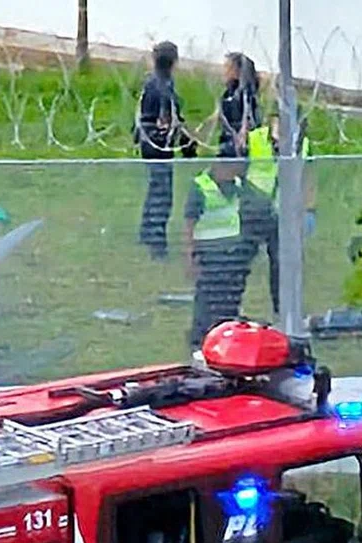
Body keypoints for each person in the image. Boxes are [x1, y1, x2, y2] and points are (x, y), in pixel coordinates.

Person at [240, 108, 314, 316]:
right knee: (240, 262)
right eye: (279, 121)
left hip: (283, 214)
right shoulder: (255, 139)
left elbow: (307, 177)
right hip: (254, 211)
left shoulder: (301, 145)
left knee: (280, 266)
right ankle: (232, 308)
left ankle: (282, 311)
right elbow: (238, 171)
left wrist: (308, 209)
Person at [134, 41, 197, 260]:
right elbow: (169, 120)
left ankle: (146, 233)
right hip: (159, 146)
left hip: (147, 142)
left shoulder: (151, 83)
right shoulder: (164, 87)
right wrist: (187, 144)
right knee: (162, 195)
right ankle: (156, 243)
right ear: (174, 62)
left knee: (155, 189)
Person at [185, 158, 254, 349]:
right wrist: (190, 256)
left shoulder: (238, 185)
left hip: (232, 251)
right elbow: (189, 223)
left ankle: (227, 331)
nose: (234, 172)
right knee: (207, 298)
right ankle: (200, 338)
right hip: (208, 252)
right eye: (230, 167)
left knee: (231, 296)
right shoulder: (201, 187)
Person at [218, 52, 261, 157]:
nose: (224, 71)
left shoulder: (245, 94)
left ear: (237, 71)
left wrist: (243, 135)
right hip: (227, 141)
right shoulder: (228, 92)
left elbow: (249, 117)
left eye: (227, 67)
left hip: (238, 145)